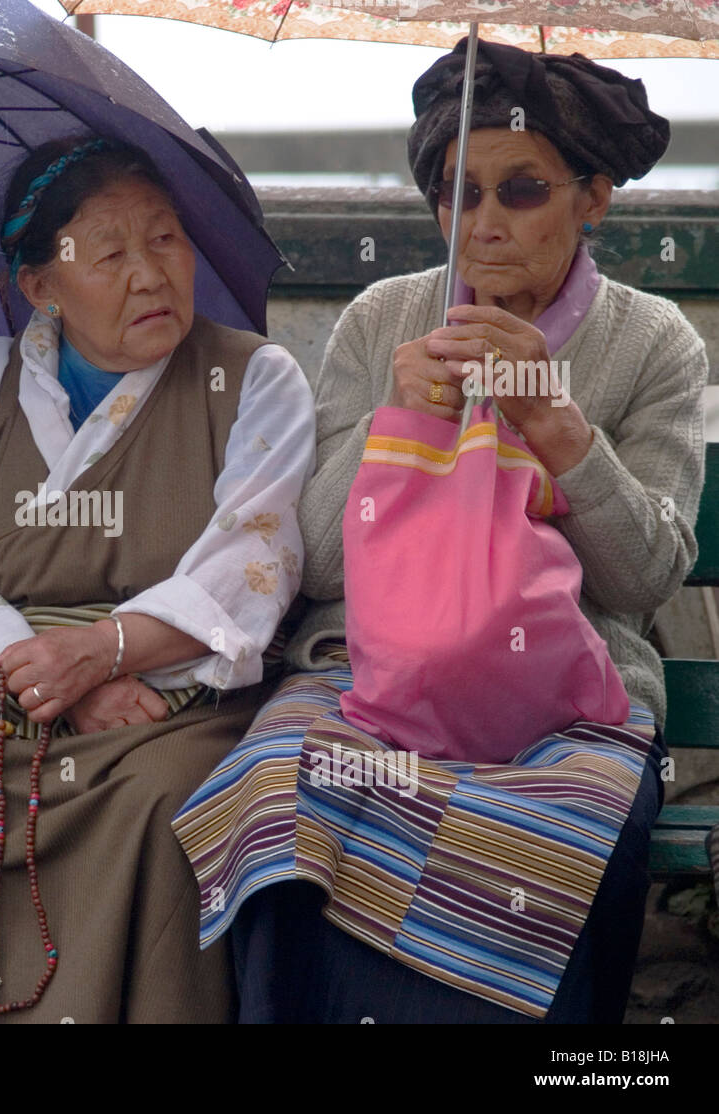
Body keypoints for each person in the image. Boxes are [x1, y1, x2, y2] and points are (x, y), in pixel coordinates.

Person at [175, 39, 708, 1023]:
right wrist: (395, 419)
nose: (482, 225)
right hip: (371, 677)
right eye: (457, 194)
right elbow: (320, 564)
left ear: (592, 198)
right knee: (274, 790)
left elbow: (646, 576)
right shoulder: (386, 320)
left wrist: (556, 426)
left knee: (568, 831)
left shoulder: (651, 343)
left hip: (568, 701)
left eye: (521, 192)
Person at [0, 135, 315, 1023]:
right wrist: (46, 674)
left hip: (170, 695)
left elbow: (252, 566)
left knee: (169, 806)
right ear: (41, 287)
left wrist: (102, 653)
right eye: (110, 253)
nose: (150, 274)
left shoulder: (254, 377)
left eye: (165, 240)